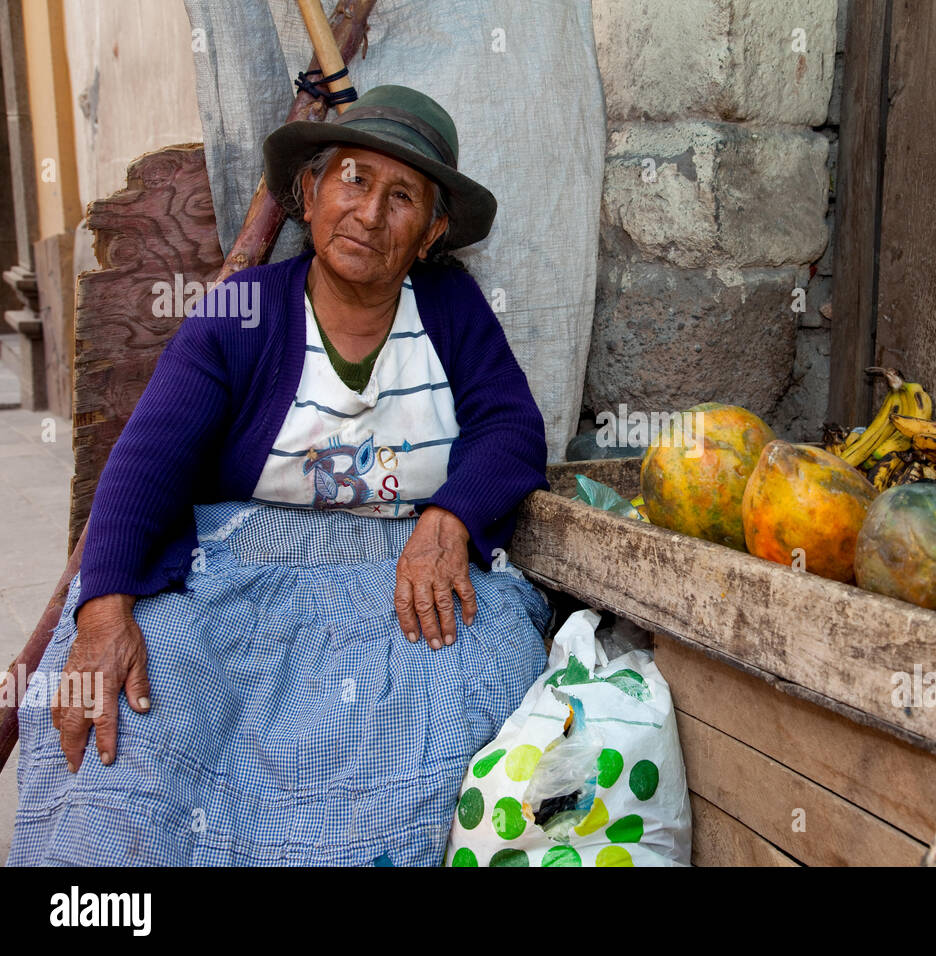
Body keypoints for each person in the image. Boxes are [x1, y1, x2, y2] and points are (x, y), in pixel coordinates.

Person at [7, 85, 552, 865]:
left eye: (402, 196)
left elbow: (511, 429)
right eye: (353, 179)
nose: (369, 213)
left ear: (431, 232)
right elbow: (148, 458)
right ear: (310, 191)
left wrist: (448, 519)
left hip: (398, 575)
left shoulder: (450, 308)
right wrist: (103, 615)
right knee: (137, 708)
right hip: (239, 573)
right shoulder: (245, 313)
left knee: (487, 667)